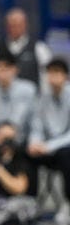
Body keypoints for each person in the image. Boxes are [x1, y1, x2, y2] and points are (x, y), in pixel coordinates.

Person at [27, 57, 70, 197]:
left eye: (57, 72)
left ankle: (67, 201)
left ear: (66, 76)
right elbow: (36, 127)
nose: (53, 77)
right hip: (47, 149)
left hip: (64, 148)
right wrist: (34, 143)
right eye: (50, 73)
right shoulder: (42, 98)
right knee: (26, 153)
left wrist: (49, 146)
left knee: (66, 154)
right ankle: (29, 200)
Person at [0, 7, 53, 88]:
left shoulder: (39, 48)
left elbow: (46, 77)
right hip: (1, 95)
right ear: (7, 27)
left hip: (31, 95)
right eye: (12, 25)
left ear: (25, 25)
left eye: (19, 25)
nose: (15, 28)